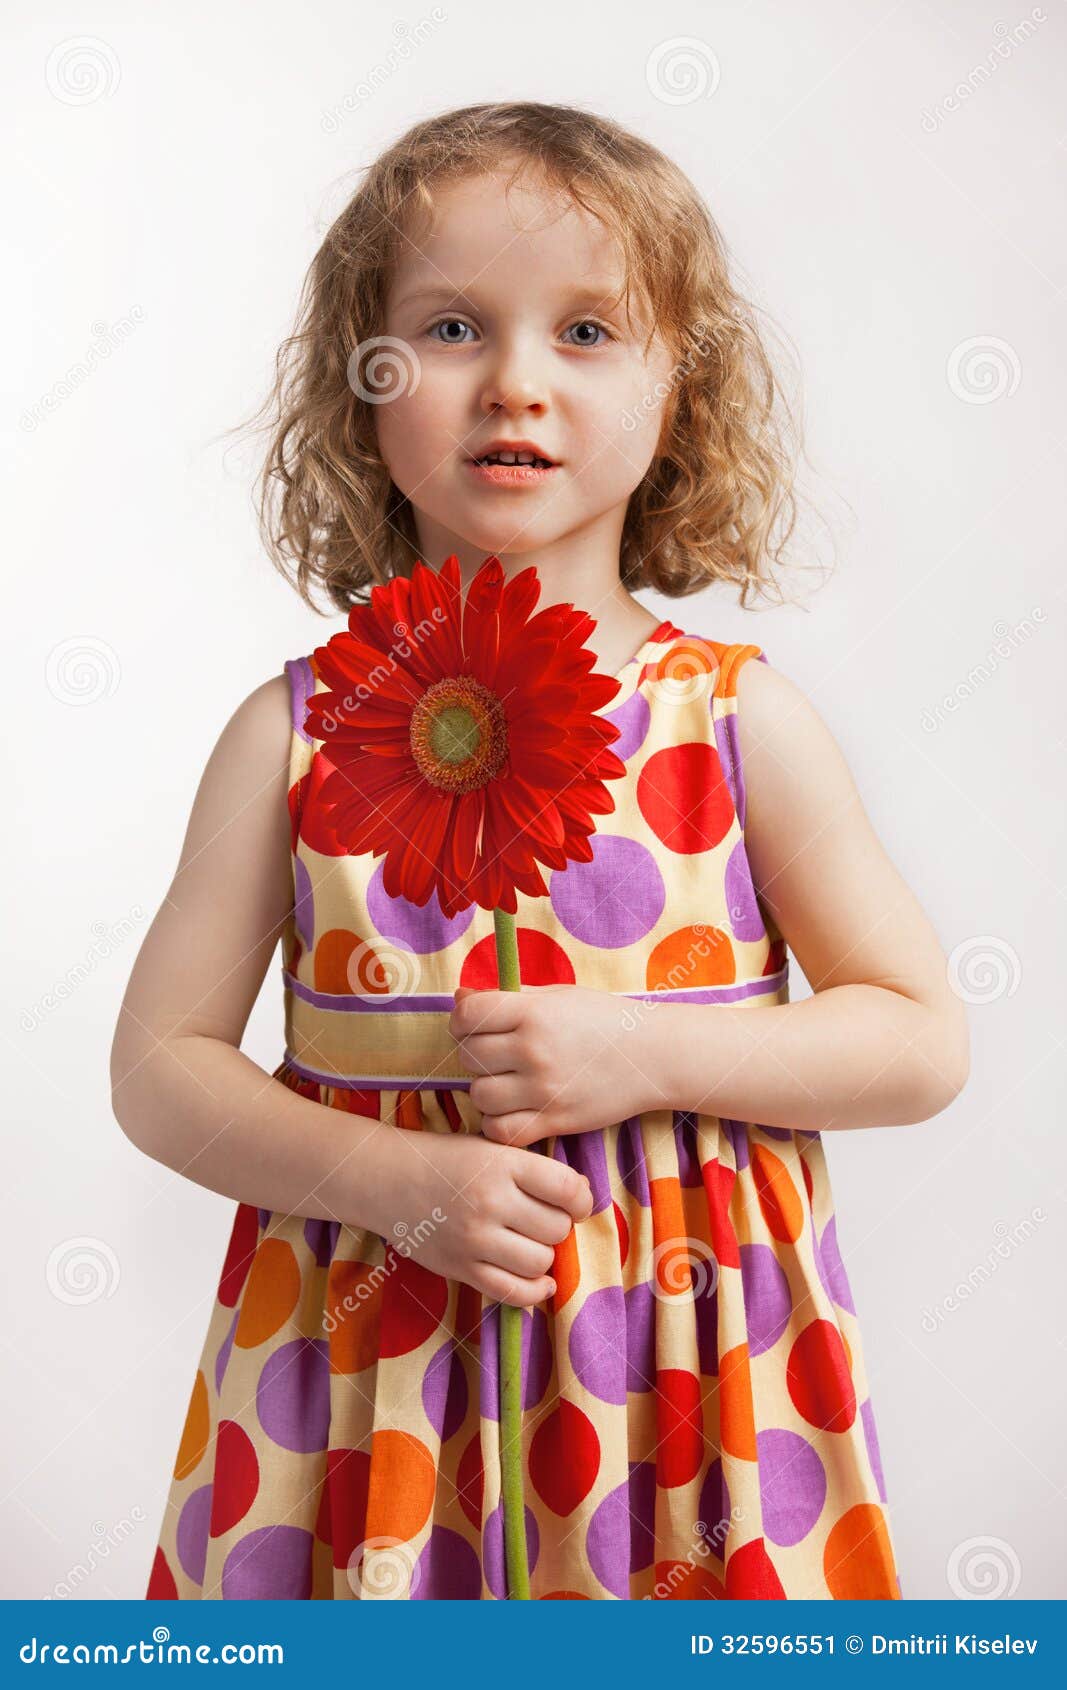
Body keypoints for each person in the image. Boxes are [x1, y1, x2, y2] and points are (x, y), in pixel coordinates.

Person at [111, 101, 970, 1601]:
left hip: (683, 1385)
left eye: (586, 331)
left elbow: (917, 1040)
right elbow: (159, 1066)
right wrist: (389, 1178)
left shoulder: (736, 726)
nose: (515, 381)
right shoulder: (292, 739)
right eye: (451, 329)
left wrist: (643, 1052)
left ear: (679, 389)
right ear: (362, 386)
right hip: (373, 1373)